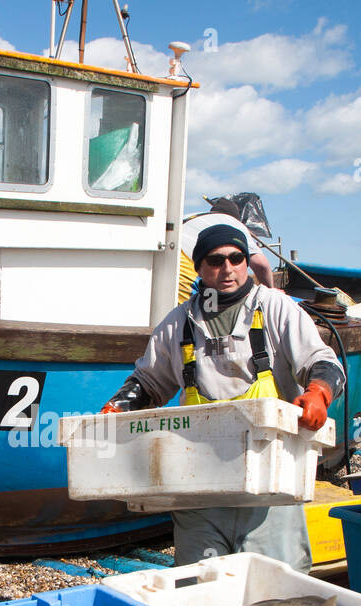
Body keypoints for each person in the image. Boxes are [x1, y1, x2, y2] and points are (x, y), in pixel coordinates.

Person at [102, 223, 345, 572]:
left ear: (247, 262)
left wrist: (319, 392)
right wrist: (119, 406)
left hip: (269, 493)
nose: (227, 268)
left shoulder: (276, 308)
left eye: (236, 258)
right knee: (202, 590)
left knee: (277, 596)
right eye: (216, 260)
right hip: (201, 491)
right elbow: (148, 382)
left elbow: (323, 362)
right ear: (199, 266)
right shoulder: (177, 325)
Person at [177, 198, 274, 297]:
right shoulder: (233, 225)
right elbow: (261, 265)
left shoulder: (196, 217)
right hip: (181, 266)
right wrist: (270, 295)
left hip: (165, 253)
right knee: (206, 308)